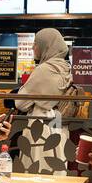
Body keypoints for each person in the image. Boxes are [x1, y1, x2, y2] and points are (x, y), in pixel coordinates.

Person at [13, 28, 74, 171]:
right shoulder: (65, 67)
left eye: (36, 43)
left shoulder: (43, 70)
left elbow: (20, 103)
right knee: (56, 164)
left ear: (45, 46)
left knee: (38, 167)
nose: (33, 47)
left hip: (40, 125)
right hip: (58, 121)